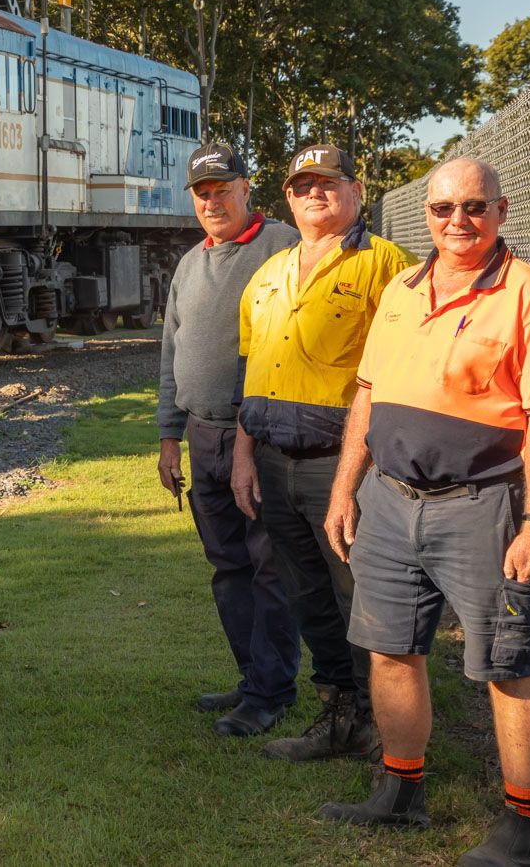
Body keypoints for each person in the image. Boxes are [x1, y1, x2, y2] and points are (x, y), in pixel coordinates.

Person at [318, 158, 530, 867]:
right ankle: (400, 794)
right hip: (390, 501)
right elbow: (366, 394)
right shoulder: (400, 289)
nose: (458, 221)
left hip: (483, 507)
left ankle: (523, 832)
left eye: (474, 207)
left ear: (501, 208)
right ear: (425, 214)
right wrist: (345, 488)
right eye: (443, 208)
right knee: (392, 648)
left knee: (508, 664)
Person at [232, 143, 411, 762]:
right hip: (275, 464)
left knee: (359, 595)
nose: (316, 193)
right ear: (287, 197)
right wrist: (242, 457)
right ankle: (340, 712)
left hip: (345, 466)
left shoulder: (388, 266)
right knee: (308, 594)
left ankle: (387, 728)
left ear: (356, 191)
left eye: (329, 183)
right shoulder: (268, 274)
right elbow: (249, 374)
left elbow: (405, 372)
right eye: (303, 184)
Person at [156, 144, 301, 738]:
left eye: (222, 188)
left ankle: (272, 691)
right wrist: (169, 436)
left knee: (270, 565)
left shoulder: (286, 245)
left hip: (262, 436)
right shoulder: (190, 263)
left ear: (247, 188)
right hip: (201, 434)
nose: (212, 201)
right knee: (227, 566)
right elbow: (170, 351)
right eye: (201, 192)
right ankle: (252, 679)